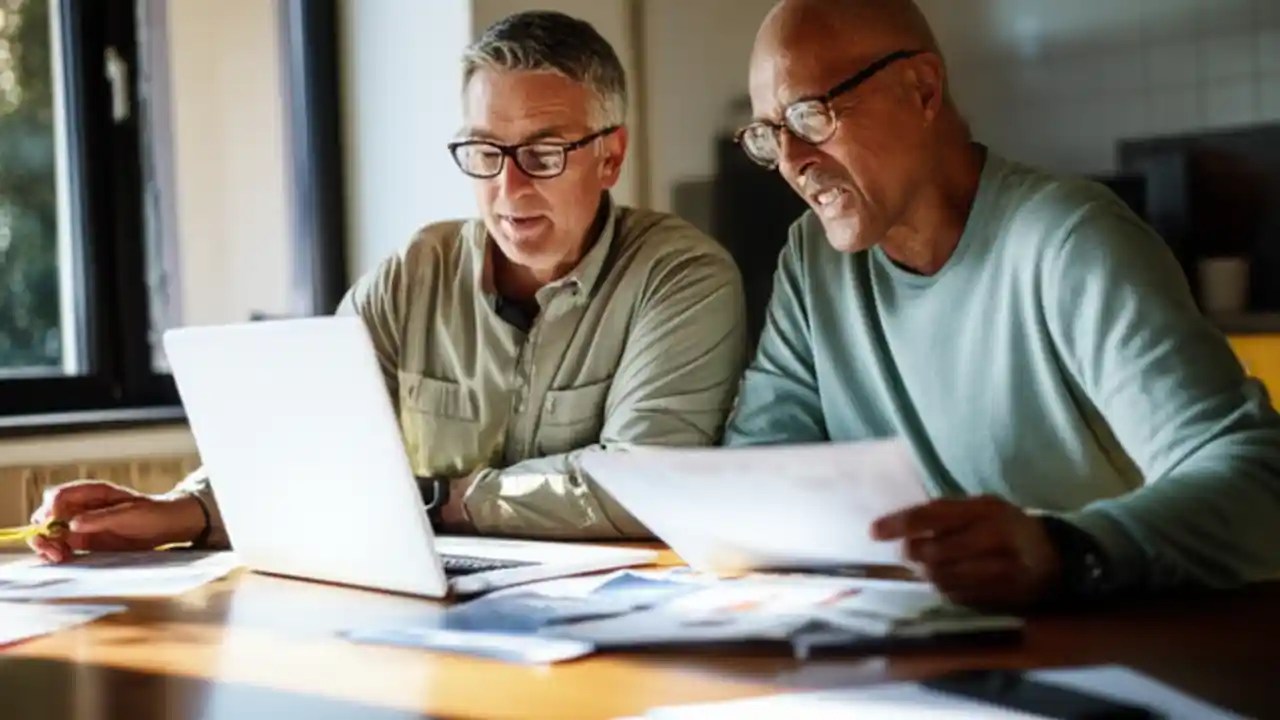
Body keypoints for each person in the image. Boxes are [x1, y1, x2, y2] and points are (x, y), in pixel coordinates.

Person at [29, 11, 746, 562]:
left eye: (544, 152)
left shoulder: (681, 279)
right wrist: (180, 510)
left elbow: (644, 486)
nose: (507, 187)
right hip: (435, 610)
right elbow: (313, 440)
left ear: (610, 156)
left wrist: (434, 498)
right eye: (484, 152)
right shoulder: (414, 272)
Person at [725, 0, 1280, 608]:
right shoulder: (813, 263)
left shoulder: (1070, 241)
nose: (791, 163)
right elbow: (758, 478)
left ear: (922, 89)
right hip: (922, 652)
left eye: (810, 116)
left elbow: (1258, 486)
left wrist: (1060, 551)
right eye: (768, 135)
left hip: (1109, 650)